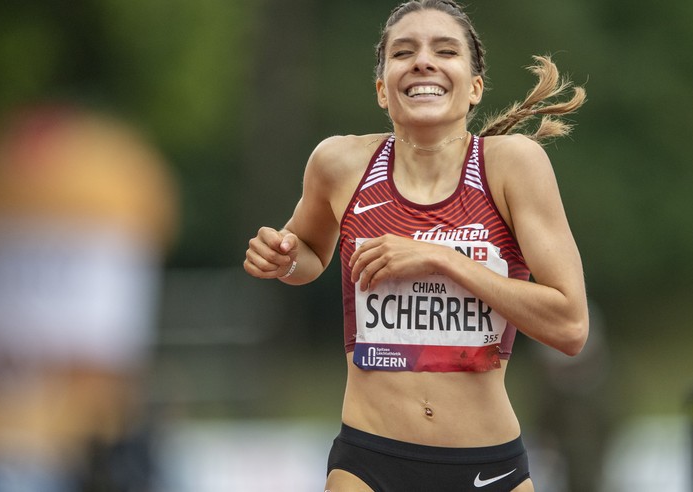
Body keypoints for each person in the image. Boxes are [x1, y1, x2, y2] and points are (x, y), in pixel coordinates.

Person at [243, 1, 588, 490]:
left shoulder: (513, 166)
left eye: (445, 51)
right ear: (383, 89)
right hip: (368, 459)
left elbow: (571, 326)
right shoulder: (338, 163)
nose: (423, 61)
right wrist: (281, 257)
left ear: (474, 86)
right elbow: (310, 255)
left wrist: (442, 259)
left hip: (487, 465)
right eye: (404, 52)